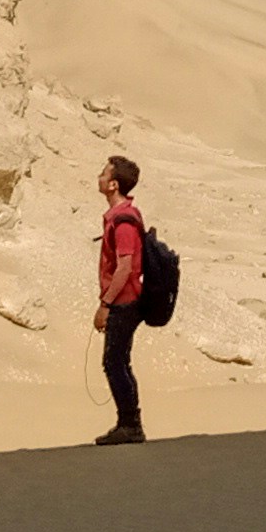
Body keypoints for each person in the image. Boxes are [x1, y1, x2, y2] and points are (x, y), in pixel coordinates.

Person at [89, 155, 149, 445]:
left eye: (103, 174)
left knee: (114, 362)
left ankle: (130, 424)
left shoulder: (123, 220)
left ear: (113, 184)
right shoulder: (121, 216)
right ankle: (129, 423)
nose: (98, 177)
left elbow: (124, 267)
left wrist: (106, 304)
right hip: (125, 300)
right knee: (118, 361)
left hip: (125, 302)